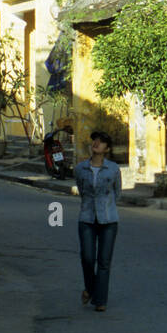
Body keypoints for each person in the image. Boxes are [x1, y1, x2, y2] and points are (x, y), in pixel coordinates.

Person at [74, 130, 122, 312]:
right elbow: (81, 189)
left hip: (109, 220)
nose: (96, 143)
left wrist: (105, 206)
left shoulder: (113, 169)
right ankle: (90, 288)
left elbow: (117, 193)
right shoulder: (80, 168)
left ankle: (100, 300)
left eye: (101, 142)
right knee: (87, 258)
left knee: (104, 261)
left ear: (107, 149)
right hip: (86, 218)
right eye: (95, 140)